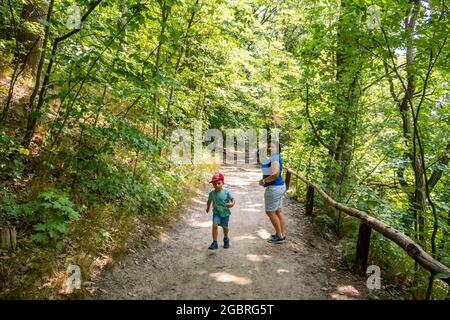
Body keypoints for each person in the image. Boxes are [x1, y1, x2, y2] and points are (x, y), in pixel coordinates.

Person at [259, 140, 287, 243]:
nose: (269, 148)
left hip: (274, 188)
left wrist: (264, 181)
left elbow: (275, 174)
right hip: (279, 187)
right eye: (268, 147)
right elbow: (272, 172)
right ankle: (281, 234)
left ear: (278, 148)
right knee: (278, 211)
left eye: (272, 147)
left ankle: (279, 236)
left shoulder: (275, 157)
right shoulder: (273, 158)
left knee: (270, 212)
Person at [206, 172, 235, 250]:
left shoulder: (226, 192)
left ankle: (226, 238)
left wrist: (232, 204)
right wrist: (208, 207)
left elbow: (232, 199)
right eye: (214, 184)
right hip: (216, 213)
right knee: (214, 226)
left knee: (225, 227)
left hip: (225, 213)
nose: (216, 185)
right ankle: (214, 242)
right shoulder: (212, 194)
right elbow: (209, 201)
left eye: (219, 183)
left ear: (223, 183)